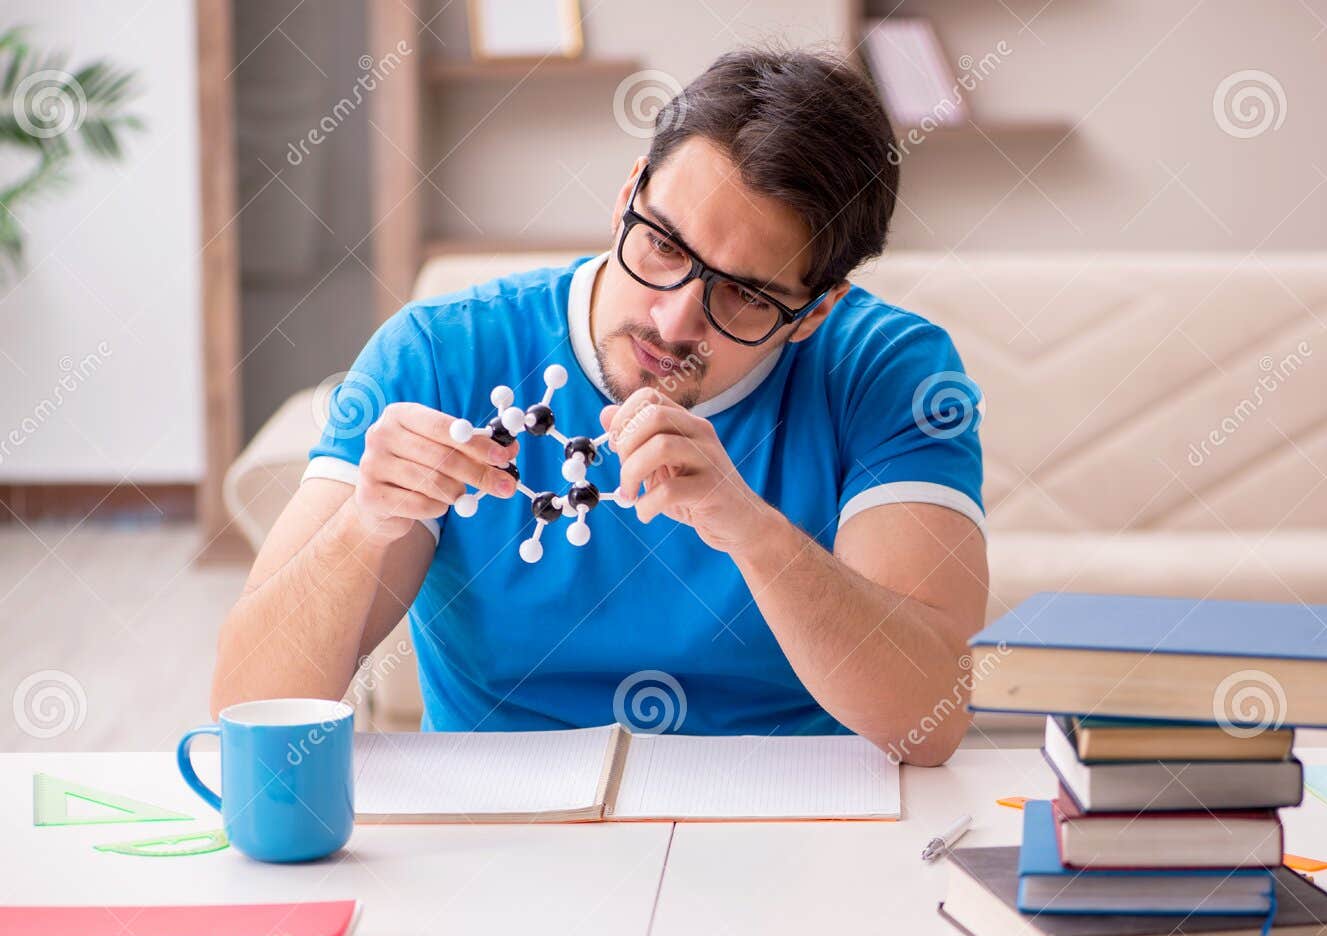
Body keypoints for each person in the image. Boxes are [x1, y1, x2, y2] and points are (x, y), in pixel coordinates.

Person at [211, 48, 988, 766]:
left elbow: (930, 722)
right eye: (664, 247)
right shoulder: (437, 355)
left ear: (814, 313)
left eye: (746, 296)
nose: (674, 321)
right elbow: (244, 711)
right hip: (499, 834)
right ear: (626, 200)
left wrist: (751, 534)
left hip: (789, 825)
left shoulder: (889, 373)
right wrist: (362, 529)